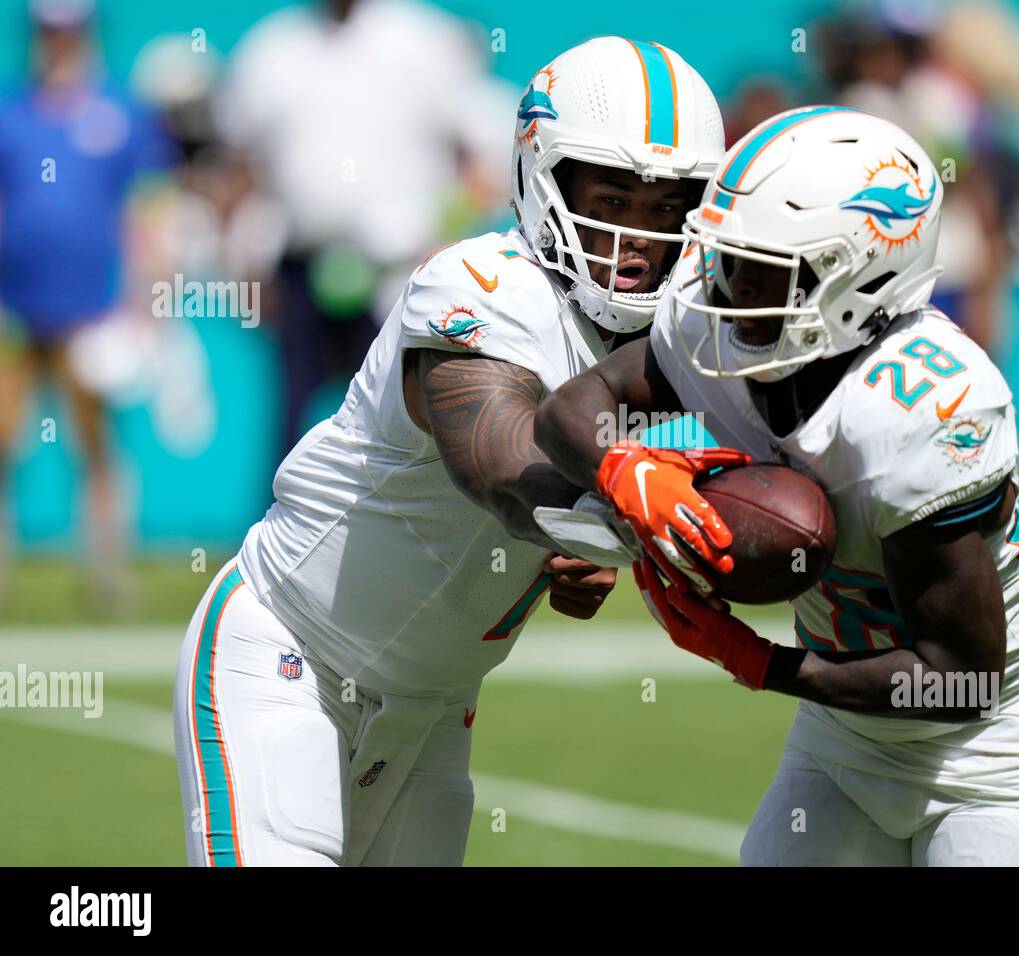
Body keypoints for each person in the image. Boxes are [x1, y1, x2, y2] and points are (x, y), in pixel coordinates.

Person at [172, 37, 725, 866]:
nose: (636, 237)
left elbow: (551, 499)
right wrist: (618, 501)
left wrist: (578, 540)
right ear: (545, 181)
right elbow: (498, 464)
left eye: (664, 208)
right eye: (611, 197)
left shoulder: (671, 331)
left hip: (434, 709)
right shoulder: (480, 284)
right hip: (291, 653)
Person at [535, 107, 1019, 866]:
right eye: (728, 258)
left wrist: (760, 662)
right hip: (841, 741)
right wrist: (622, 473)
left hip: (994, 756)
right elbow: (573, 407)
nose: (728, 293)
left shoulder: (921, 407)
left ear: (859, 272)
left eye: (761, 266)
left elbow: (961, 682)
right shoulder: (718, 326)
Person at [216, 0, 517, 453]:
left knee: (399, 408)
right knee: (292, 407)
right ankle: (287, 519)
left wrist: (435, 239)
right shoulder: (271, 48)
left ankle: (406, 522)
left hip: (402, 271)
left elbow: (480, 159)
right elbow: (238, 166)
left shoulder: (425, 38)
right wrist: (244, 257)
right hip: (301, 263)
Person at [0, 0, 173, 608]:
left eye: (68, 31)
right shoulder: (10, 114)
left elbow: (147, 207)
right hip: (14, 311)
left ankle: (107, 572)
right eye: (49, 32)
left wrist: (149, 297)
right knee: (3, 438)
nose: (59, 43)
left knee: (95, 445)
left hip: (93, 310)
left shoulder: (120, 114)